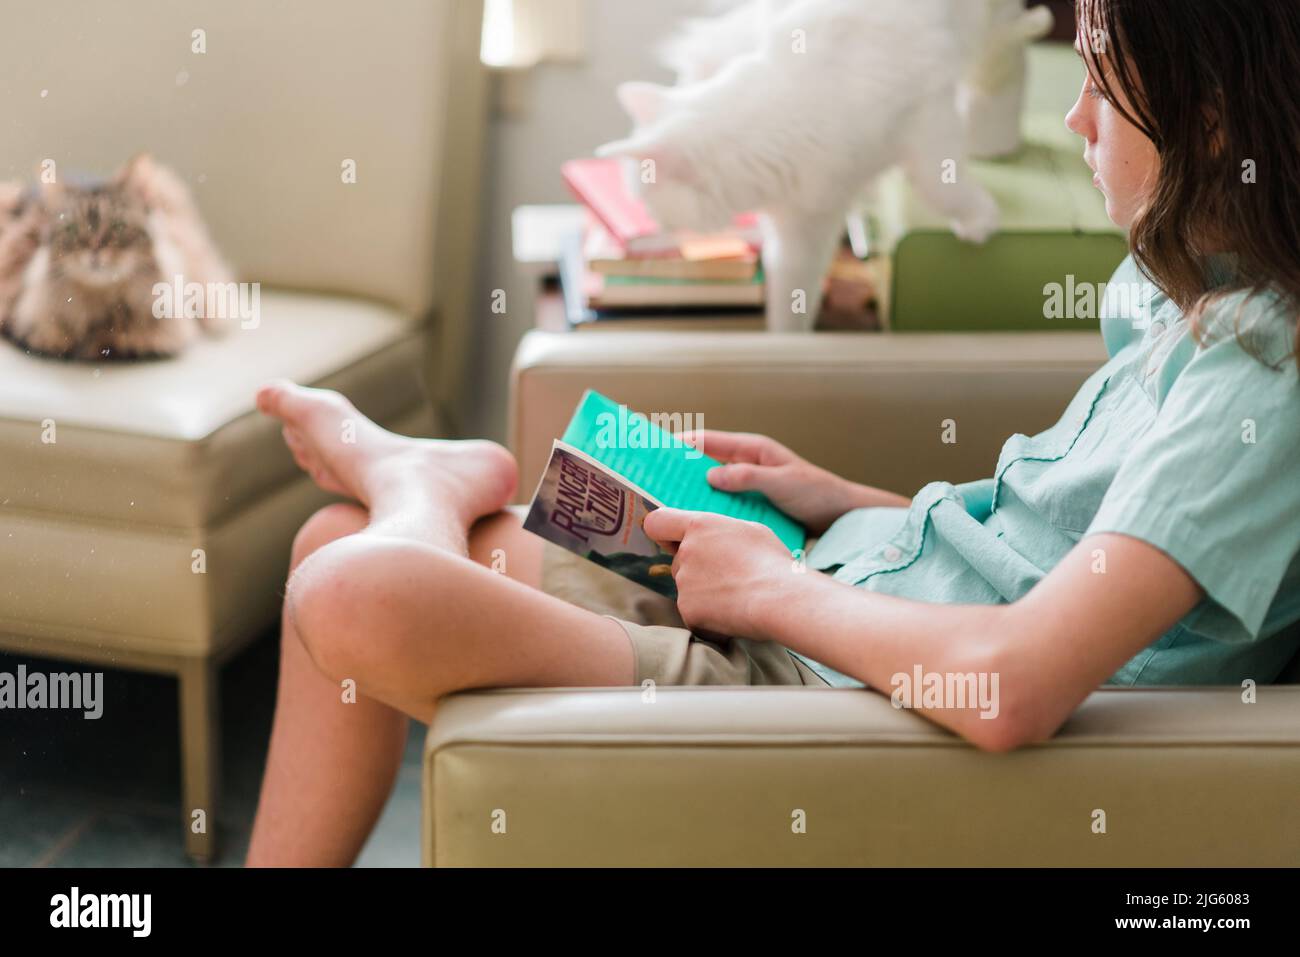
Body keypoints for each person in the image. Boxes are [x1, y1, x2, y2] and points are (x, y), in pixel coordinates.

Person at [246, 0, 1300, 865]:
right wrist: (847, 502)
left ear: (1212, 123)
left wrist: (769, 593)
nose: (1073, 121)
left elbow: (1010, 683)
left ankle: (424, 489)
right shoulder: (1198, 298)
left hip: (835, 697)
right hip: (844, 599)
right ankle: (415, 489)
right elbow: (1060, 558)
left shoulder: (1258, 380)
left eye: (1099, 88)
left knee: (353, 585)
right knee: (326, 546)